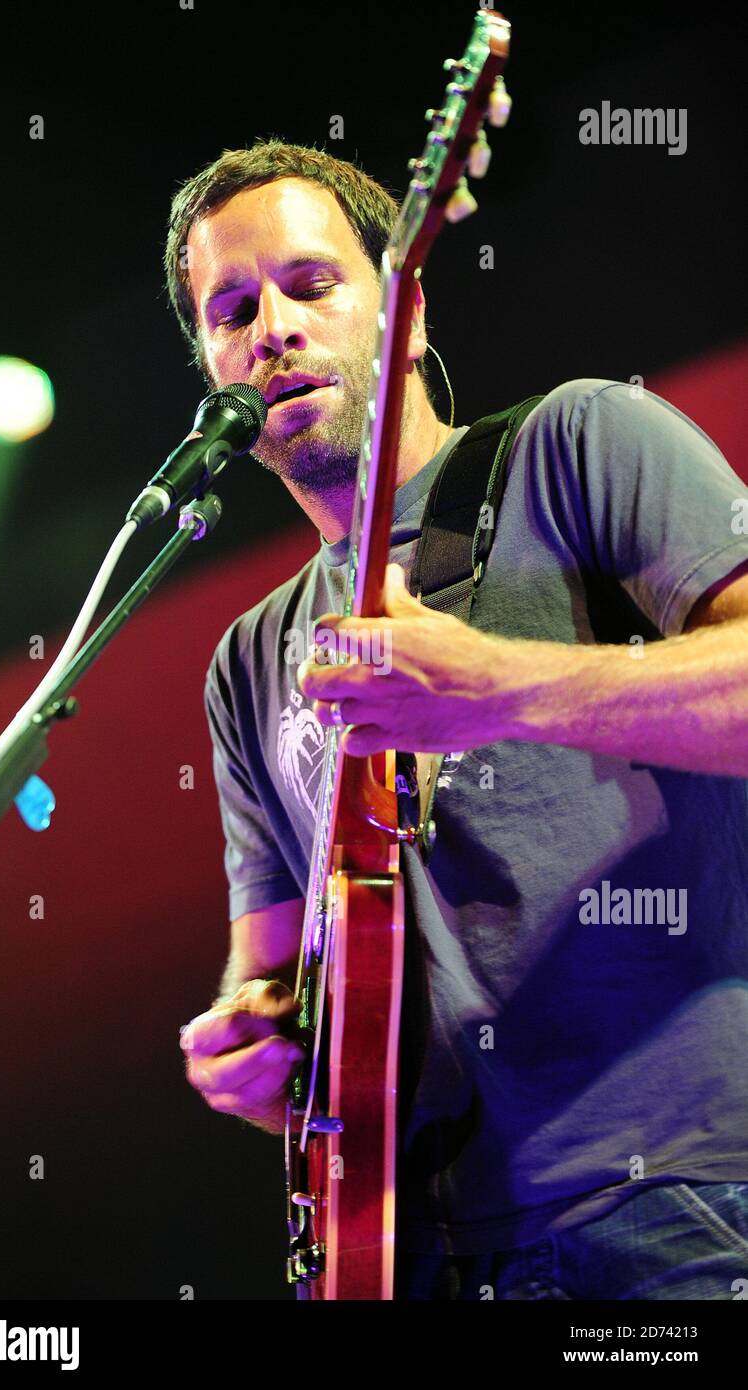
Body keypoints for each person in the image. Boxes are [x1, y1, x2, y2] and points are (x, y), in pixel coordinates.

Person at [168, 139, 748, 1300]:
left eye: (311, 283)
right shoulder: (247, 660)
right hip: (410, 1250)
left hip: (672, 1199)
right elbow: (275, 983)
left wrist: (493, 684)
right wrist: (249, 1050)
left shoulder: (580, 444)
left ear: (409, 311)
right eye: (231, 311)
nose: (271, 327)